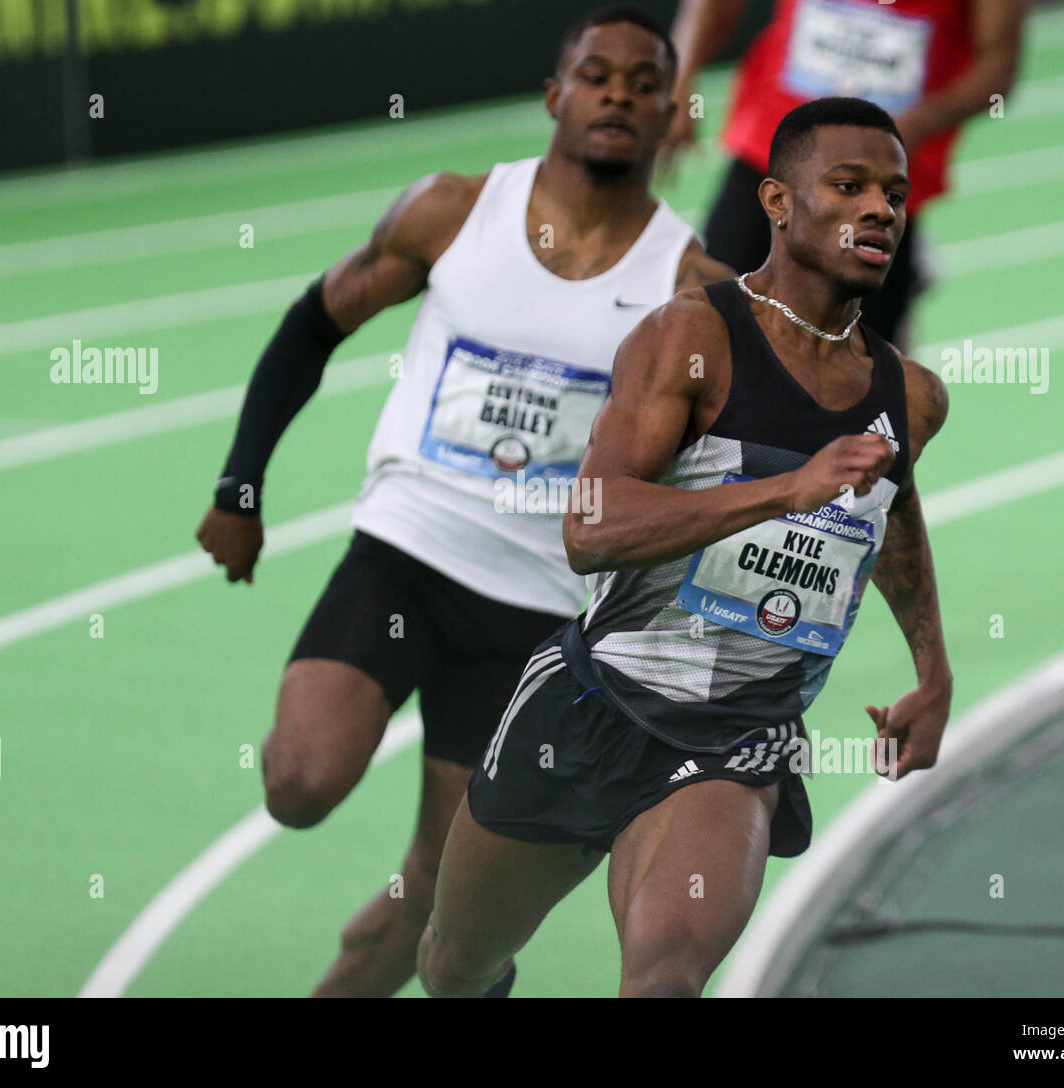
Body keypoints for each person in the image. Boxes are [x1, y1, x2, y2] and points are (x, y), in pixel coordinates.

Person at [194, 4, 733, 997]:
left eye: (645, 82)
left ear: (674, 113)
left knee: (440, 896)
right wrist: (240, 484)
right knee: (299, 780)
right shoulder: (451, 211)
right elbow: (310, 324)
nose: (619, 92)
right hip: (408, 546)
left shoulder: (688, 290)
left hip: (535, 607)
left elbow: (714, 477)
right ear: (553, 96)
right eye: (596, 74)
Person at [418, 97, 953, 998]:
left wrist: (932, 671)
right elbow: (591, 528)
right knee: (453, 964)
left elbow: (892, 513)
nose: (881, 210)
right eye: (850, 186)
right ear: (778, 203)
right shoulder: (689, 340)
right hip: (591, 705)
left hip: (735, 743)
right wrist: (787, 488)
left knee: (665, 979)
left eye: (895, 195)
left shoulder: (912, 395)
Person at [663, 0, 1026, 348]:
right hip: (771, 149)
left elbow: (998, 66)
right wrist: (679, 77)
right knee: (712, 322)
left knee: (857, 371)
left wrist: (909, 126)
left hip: (878, 181)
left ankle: (902, 271)